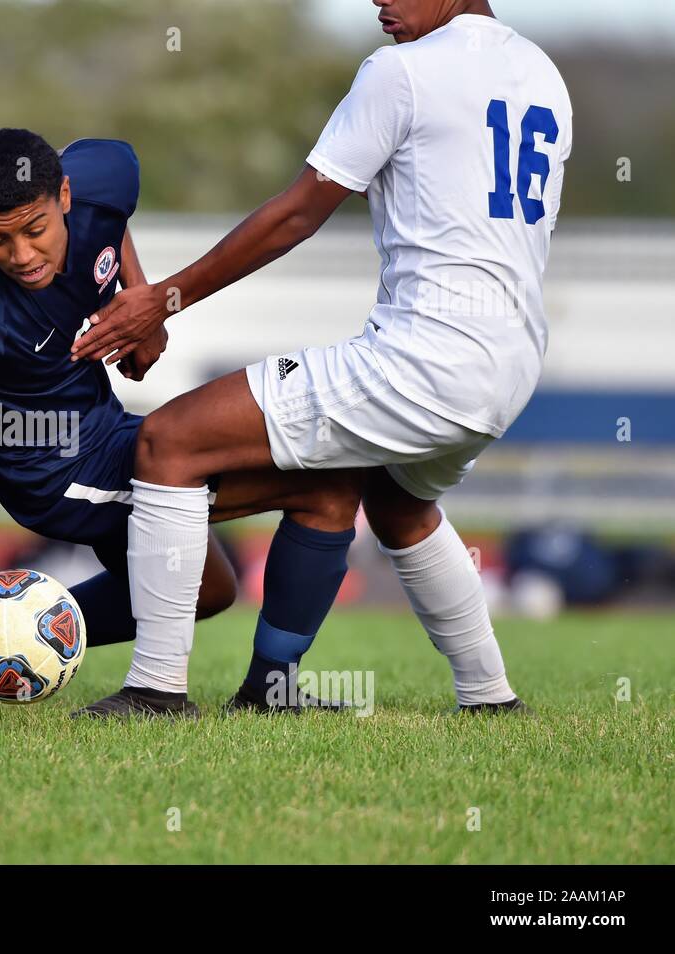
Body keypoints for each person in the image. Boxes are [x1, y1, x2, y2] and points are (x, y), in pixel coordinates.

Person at [70, 0, 569, 717]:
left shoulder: (402, 72)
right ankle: (488, 696)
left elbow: (299, 213)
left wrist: (165, 299)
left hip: (425, 359)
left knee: (169, 441)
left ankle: (155, 688)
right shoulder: (542, 74)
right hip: (512, 362)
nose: (379, 2)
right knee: (397, 503)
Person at [0, 128, 367, 714]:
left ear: (68, 197)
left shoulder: (103, 179)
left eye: (35, 230)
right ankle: (266, 693)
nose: (21, 256)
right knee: (327, 485)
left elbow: (112, 213)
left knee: (209, 590)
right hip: (46, 468)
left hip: (104, 423)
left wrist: (136, 304)